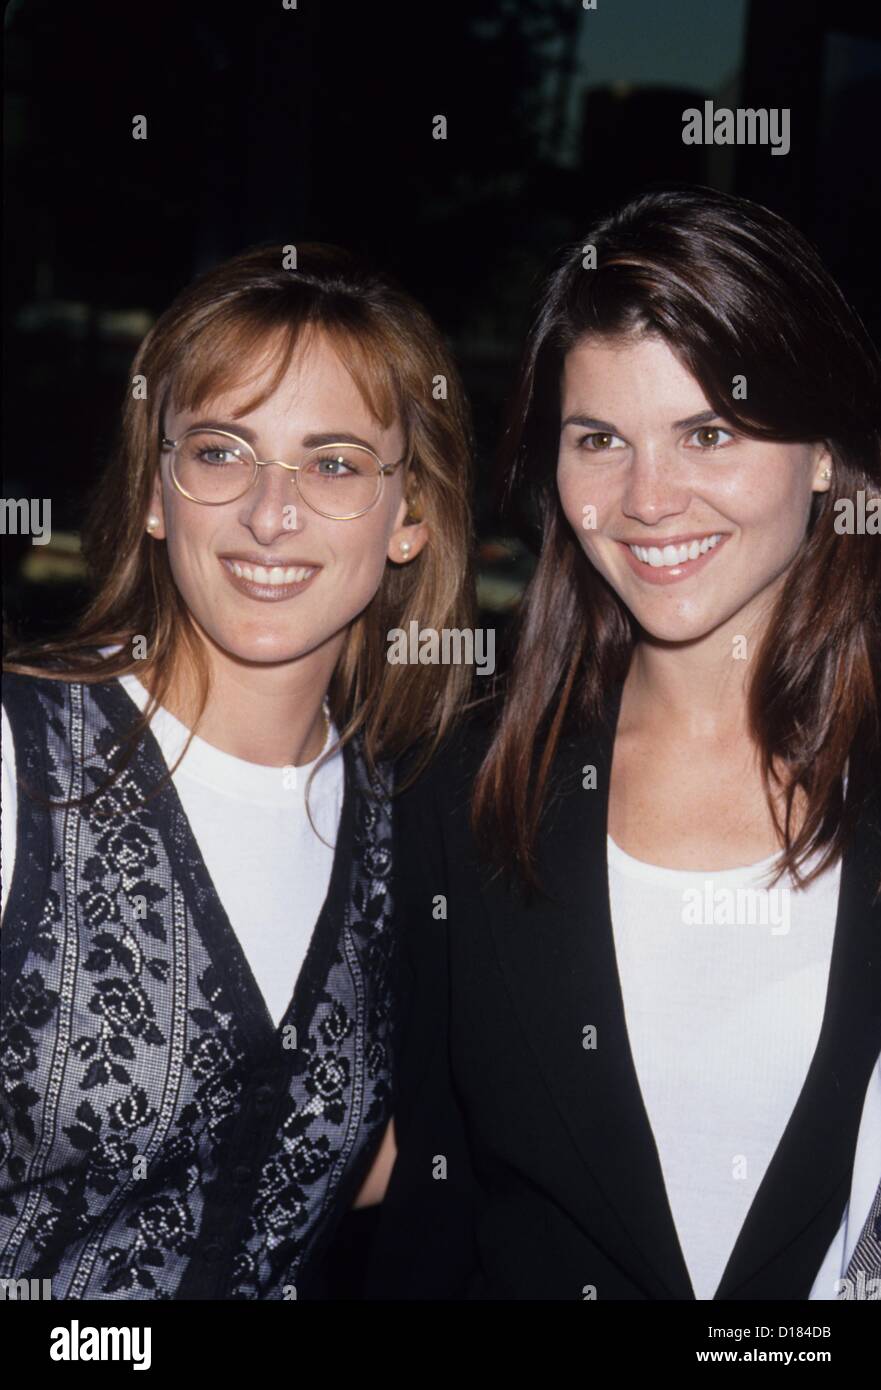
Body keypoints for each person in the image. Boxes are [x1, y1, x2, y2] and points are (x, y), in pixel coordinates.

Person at [364, 186, 881, 1300]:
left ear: (827, 454)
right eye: (598, 438)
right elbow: (426, 1212)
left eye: (708, 431)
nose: (647, 498)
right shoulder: (457, 782)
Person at [0, 242, 475, 1299]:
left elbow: (367, 1147)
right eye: (221, 452)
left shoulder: (412, 821)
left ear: (411, 517)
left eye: (336, 462)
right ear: (158, 490)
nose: (272, 512)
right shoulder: (17, 762)